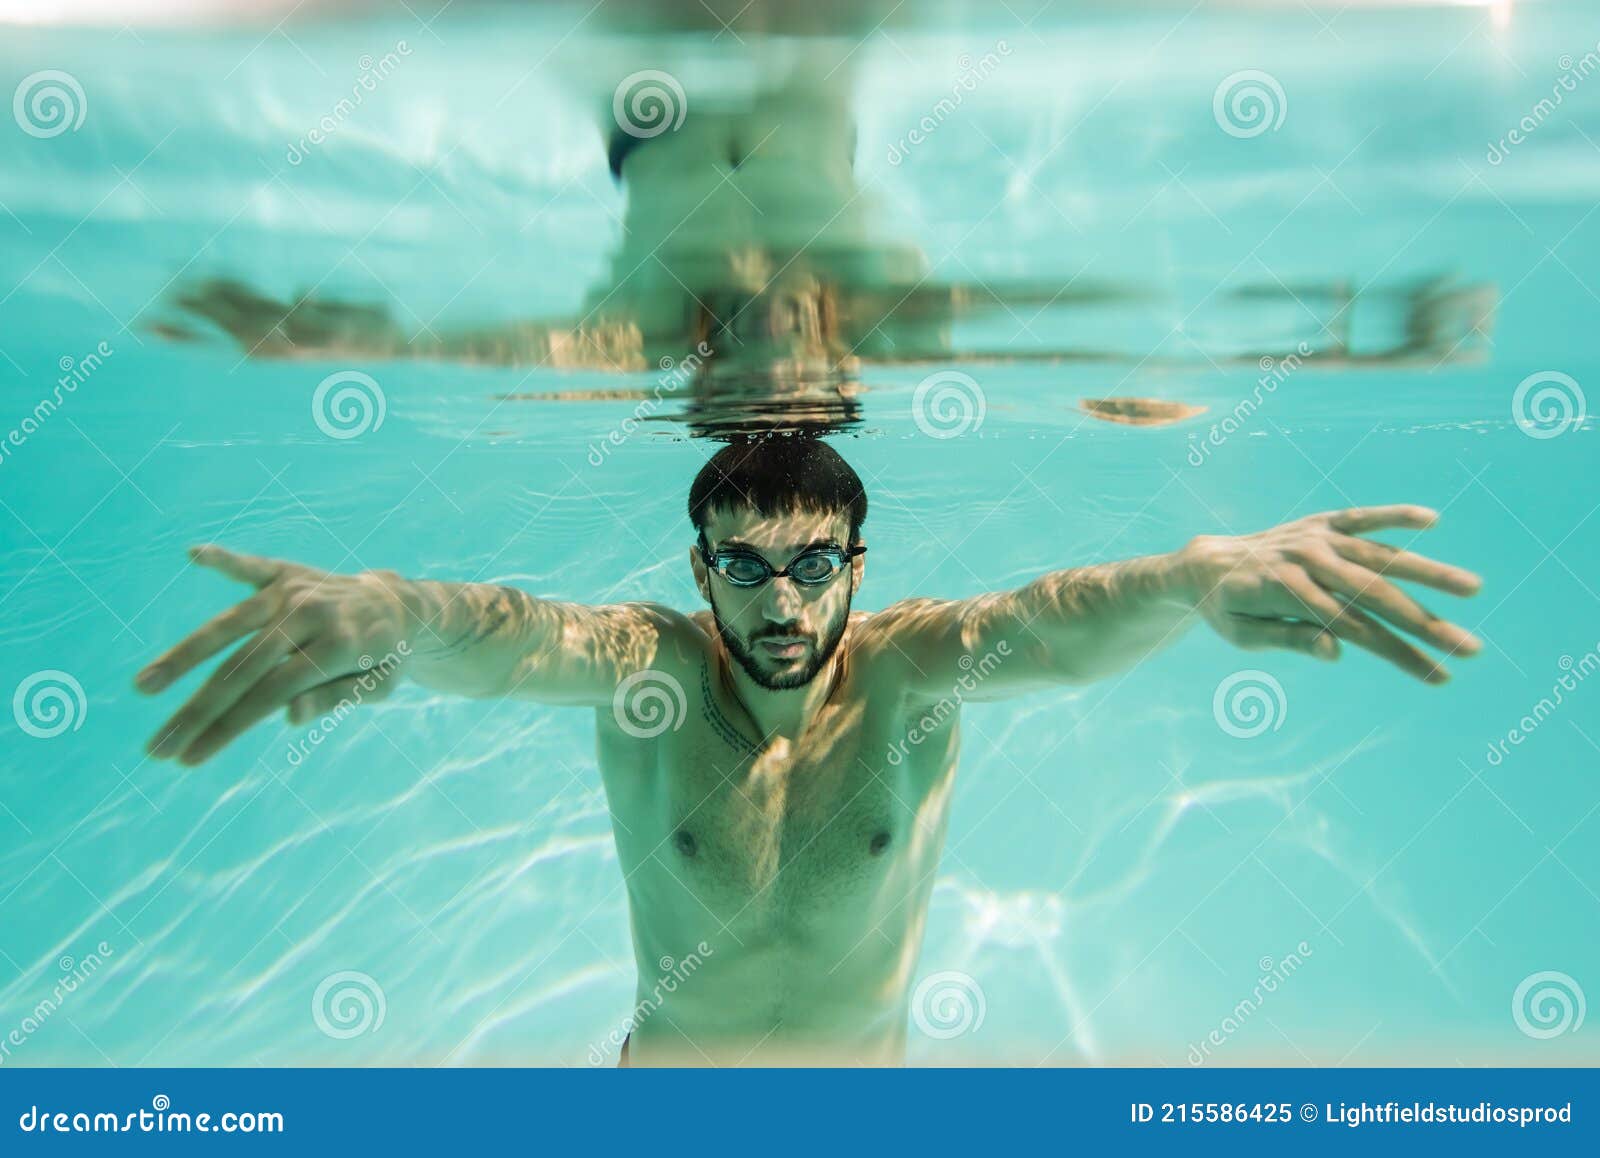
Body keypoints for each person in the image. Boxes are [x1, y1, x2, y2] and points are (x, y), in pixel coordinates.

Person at [134, 437, 1483, 1065]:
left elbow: (1048, 625)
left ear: (857, 567)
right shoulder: (653, 674)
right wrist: (394, 610)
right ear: (700, 571)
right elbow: (514, 640)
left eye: (815, 567)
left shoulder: (907, 676)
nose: (782, 606)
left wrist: (1188, 578)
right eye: (746, 568)